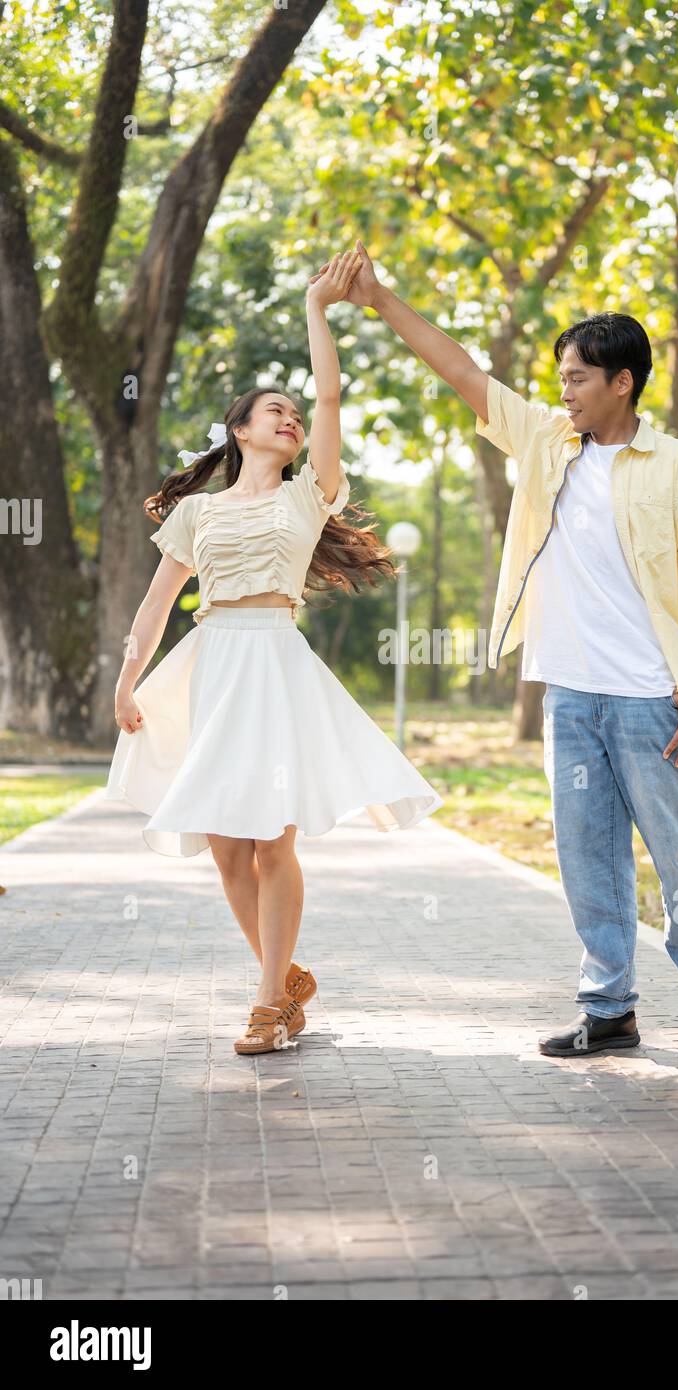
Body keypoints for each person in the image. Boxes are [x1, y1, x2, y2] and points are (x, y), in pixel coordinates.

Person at [316, 239, 678, 1059]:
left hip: (653, 693)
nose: (564, 391)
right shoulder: (547, 440)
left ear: (622, 382)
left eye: (578, 377)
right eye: (561, 378)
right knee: (586, 857)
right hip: (568, 692)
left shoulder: (677, 464)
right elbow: (463, 371)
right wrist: (381, 299)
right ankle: (608, 1007)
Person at [104, 250, 444, 1057]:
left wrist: (317, 309)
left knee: (272, 839)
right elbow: (155, 609)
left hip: (275, 666)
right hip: (213, 663)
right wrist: (127, 685)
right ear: (239, 428)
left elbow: (329, 393)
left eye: (294, 415)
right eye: (275, 412)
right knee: (225, 848)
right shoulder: (195, 513)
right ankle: (283, 981)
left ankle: (265, 1008)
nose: (291, 419)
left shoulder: (307, 493)